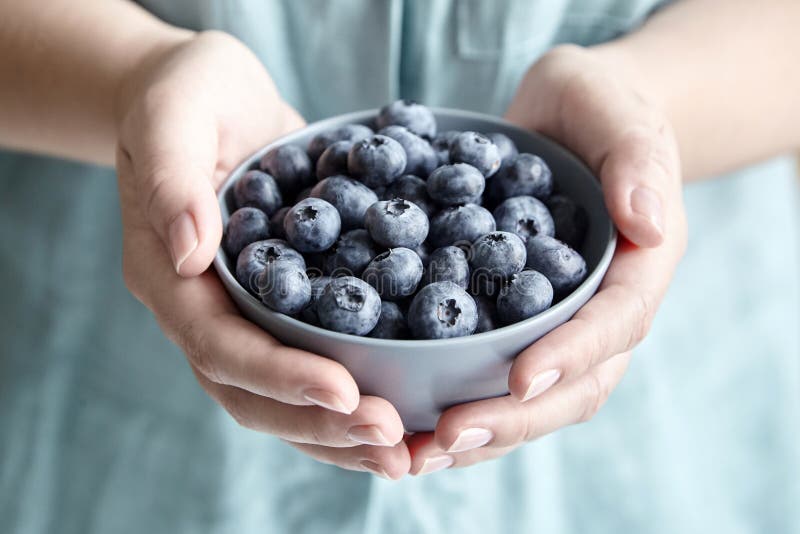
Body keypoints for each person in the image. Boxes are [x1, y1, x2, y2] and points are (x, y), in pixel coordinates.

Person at [1, 0, 797, 532]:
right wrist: (133, 76)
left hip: (667, 411)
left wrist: (648, 97)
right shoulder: (303, 214)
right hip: (130, 367)